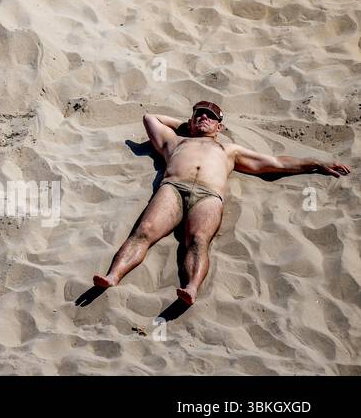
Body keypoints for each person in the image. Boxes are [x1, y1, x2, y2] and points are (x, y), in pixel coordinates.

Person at [94, 101, 351, 304]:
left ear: (220, 126)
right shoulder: (174, 141)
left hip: (208, 196)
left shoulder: (230, 151)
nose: (203, 118)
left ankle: (191, 288)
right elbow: (150, 117)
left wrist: (316, 164)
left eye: (210, 116)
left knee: (197, 241)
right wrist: (188, 126)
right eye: (199, 115)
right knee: (143, 233)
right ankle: (113, 275)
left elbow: (275, 164)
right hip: (172, 188)